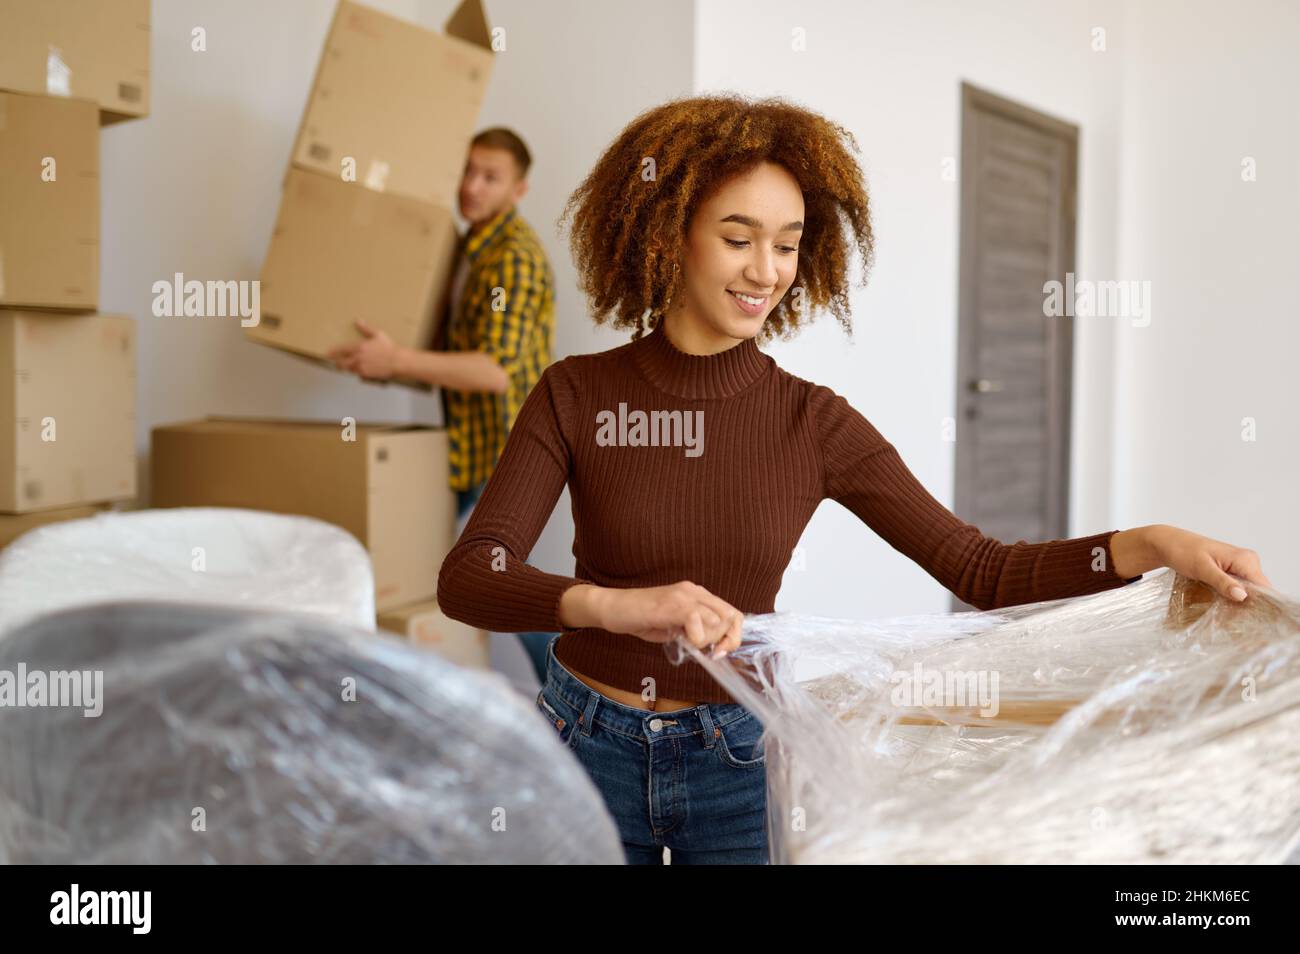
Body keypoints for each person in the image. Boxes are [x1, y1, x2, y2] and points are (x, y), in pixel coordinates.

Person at [436, 94, 1272, 865]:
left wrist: (1150, 544)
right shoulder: (577, 392)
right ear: (667, 231)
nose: (766, 270)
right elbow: (472, 576)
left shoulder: (813, 422)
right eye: (737, 237)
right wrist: (618, 606)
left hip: (736, 757)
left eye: (788, 244)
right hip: (585, 742)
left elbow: (983, 572)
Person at [330, 128, 557, 684]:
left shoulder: (513, 259)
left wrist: (397, 361)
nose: (471, 186)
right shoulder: (467, 248)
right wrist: (382, 360)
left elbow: (492, 371)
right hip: (467, 450)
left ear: (519, 189)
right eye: (467, 170)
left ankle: (574, 702)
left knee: (498, 588)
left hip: (506, 453)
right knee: (468, 582)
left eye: (490, 177)